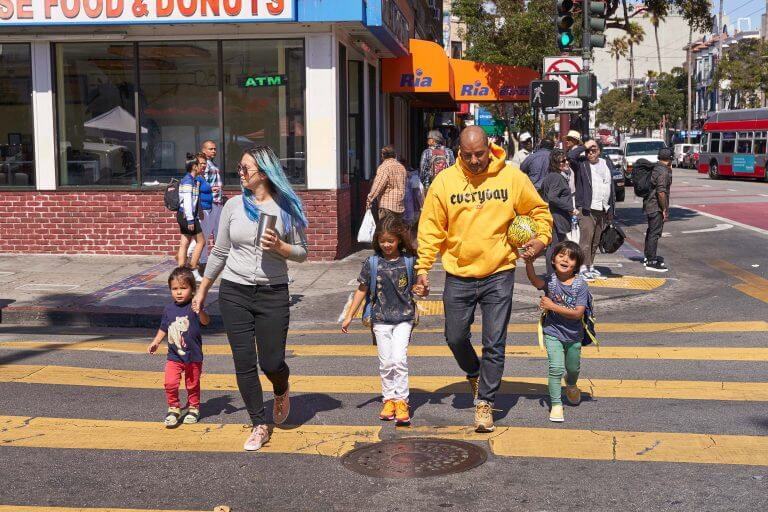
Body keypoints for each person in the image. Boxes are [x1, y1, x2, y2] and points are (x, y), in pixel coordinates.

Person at [414, 126, 553, 432]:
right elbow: (430, 229)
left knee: (495, 341)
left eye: (480, 154)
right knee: (454, 337)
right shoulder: (445, 181)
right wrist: (422, 269)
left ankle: (485, 402)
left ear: (489, 149)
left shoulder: (511, 177)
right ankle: (474, 372)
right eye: (468, 155)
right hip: (459, 273)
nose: (475, 161)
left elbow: (539, 211)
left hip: (499, 271)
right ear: (459, 152)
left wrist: (540, 240)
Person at [192, 145, 309, 452]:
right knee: (244, 362)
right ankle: (259, 424)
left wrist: (281, 248)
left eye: (246, 169)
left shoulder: (285, 207)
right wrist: (203, 289)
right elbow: (220, 251)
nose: (241, 173)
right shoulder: (233, 206)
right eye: (240, 168)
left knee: (271, 362)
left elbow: (302, 252)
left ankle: (281, 388)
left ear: (264, 173)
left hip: (273, 292)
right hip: (234, 291)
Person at [341, 217, 417, 425]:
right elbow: (362, 289)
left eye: (390, 241)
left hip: (404, 318)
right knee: (386, 363)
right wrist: (349, 315)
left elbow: (419, 286)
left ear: (399, 240)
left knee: (399, 360)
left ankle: (402, 401)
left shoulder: (409, 261)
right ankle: (389, 400)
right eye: (382, 241)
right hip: (380, 319)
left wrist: (422, 288)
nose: (386, 245)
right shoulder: (372, 263)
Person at [524, 241, 588, 423]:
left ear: (576, 264)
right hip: (553, 332)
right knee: (556, 368)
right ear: (553, 259)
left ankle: (571, 384)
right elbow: (535, 281)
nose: (565, 260)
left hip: (574, 335)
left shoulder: (580, 285)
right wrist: (528, 263)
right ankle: (556, 404)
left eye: (571, 258)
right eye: (561, 255)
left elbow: (578, 313)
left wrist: (552, 306)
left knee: (573, 369)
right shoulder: (551, 281)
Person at [148, 266, 210, 428]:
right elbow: (164, 327)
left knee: (192, 384)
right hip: (174, 355)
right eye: (175, 289)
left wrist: (200, 311)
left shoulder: (194, 306)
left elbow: (205, 322)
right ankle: (173, 408)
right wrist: (156, 342)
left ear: (192, 289)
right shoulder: (169, 309)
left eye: (183, 288)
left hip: (193, 355)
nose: (179, 292)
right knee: (170, 383)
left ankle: (193, 408)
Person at [574, 140, 615, 281]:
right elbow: (571, 156)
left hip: (602, 208)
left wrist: (611, 209)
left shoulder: (606, 163)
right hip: (587, 208)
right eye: (588, 151)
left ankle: (590, 266)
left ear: (600, 151)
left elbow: (610, 187)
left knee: (596, 240)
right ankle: (582, 268)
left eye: (594, 150)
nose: (590, 153)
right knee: (586, 239)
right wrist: (584, 146)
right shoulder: (582, 164)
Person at [539, 149, 577, 275]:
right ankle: (552, 277)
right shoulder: (556, 177)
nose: (566, 162)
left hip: (553, 217)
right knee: (555, 248)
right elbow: (552, 197)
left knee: (555, 247)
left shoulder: (551, 176)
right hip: (556, 218)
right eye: (563, 161)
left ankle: (554, 276)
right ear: (555, 163)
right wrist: (570, 208)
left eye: (567, 160)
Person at [190, 140, 224, 269]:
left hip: (218, 202)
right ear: (204, 150)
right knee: (205, 233)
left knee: (219, 231)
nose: (214, 151)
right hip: (210, 203)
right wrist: (210, 189)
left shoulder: (212, 164)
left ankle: (218, 258)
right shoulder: (204, 165)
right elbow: (199, 182)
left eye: (215, 149)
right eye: (211, 149)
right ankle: (200, 259)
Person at [176, 154, 207, 279]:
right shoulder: (188, 181)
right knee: (201, 242)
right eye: (200, 165)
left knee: (184, 243)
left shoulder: (191, 180)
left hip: (183, 215)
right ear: (194, 167)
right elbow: (188, 202)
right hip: (187, 216)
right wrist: (190, 220)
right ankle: (193, 269)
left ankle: (181, 273)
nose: (202, 167)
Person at [644, 148, 673, 272]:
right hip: (656, 206)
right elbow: (661, 192)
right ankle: (651, 261)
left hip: (649, 204)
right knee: (654, 233)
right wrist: (664, 208)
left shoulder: (656, 167)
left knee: (651, 231)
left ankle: (648, 256)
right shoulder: (663, 172)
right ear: (669, 159)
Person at [367, 145, 407, 225]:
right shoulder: (402, 168)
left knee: (386, 230)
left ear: (383, 155)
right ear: (394, 155)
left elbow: (378, 186)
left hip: (387, 205)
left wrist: (369, 199)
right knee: (396, 230)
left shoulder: (384, 167)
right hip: (400, 206)